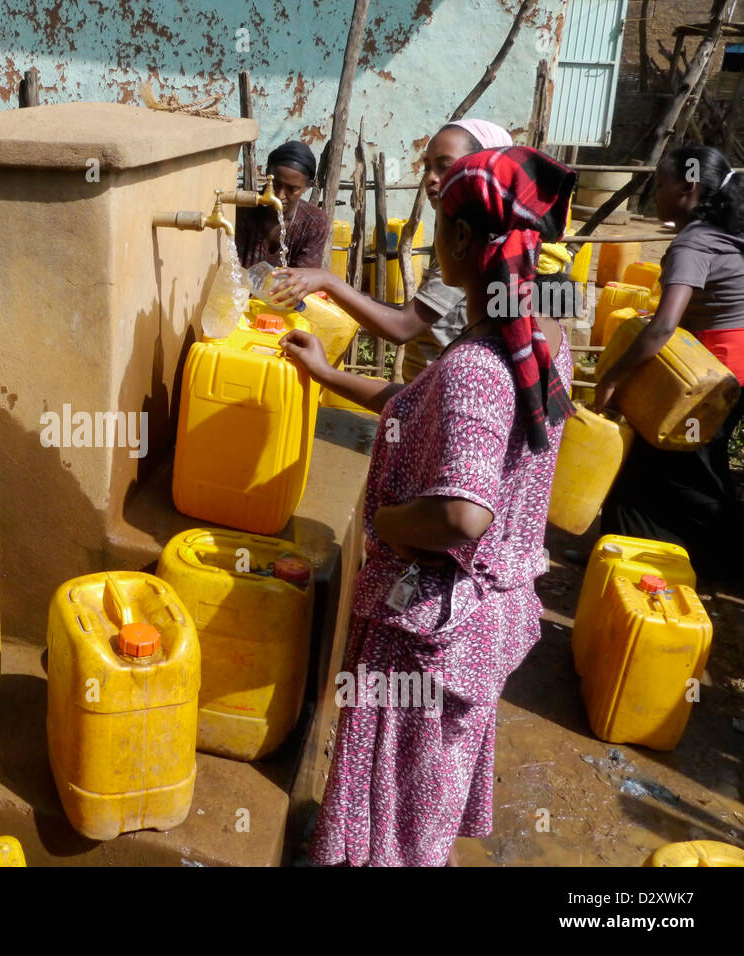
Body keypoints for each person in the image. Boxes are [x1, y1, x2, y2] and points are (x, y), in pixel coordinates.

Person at [280, 145, 576, 866]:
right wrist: (326, 374)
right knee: (421, 807)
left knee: (394, 818)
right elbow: (422, 411)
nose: (433, 235)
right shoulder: (541, 340)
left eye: (441, 222)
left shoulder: (479, 366)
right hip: (480, 627)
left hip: (430, 628)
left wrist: (384, 523)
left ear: (466, 242)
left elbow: (461, 515)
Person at [264, 119, 519, 382]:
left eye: (445, 166)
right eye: (427, 167)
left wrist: (329, 282)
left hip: (444, 392)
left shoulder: (472, 249)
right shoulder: (465, 240)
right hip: (428, 392)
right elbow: (411, 315)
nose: (431, 177)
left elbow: (403, 326)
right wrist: (338, 290)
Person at [594, 144, 744, 584]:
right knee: (646, 460)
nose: (653, 193)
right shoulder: (725, 232)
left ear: (688, 187)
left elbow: (662, 328)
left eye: (660, 184)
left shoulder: (695, 242)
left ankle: (730, 560)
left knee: (691, 474)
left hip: (716, 378)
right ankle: (619, 552)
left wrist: (614, 378)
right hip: (721, 372)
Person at [234, 140, 329, 269]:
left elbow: (304, 277)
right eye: (275, 185)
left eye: (292, 189)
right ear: (267, 174)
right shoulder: (244, 210)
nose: (279, 196)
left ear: (307, 186)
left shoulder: (314, 222)